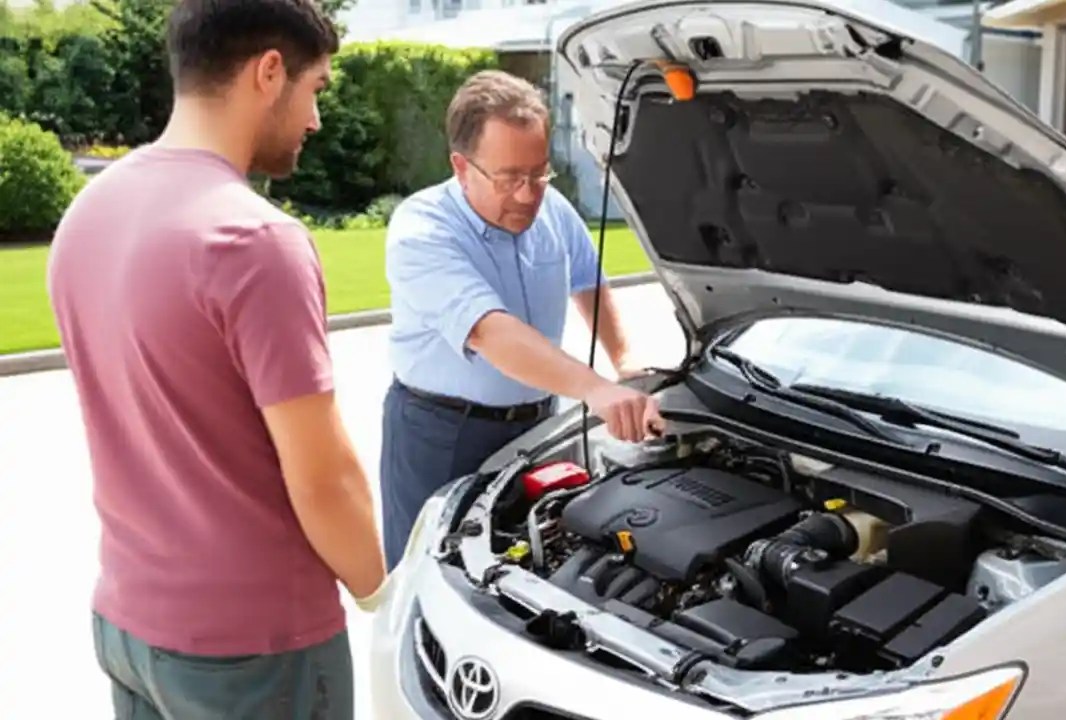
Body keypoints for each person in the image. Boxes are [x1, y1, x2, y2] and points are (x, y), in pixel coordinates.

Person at [45, 0, 386, 716]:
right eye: (316, 89)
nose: (316, 121)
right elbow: (323, 478)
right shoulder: (254, 241)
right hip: (253, 651)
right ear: (269, 72)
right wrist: (380, 588)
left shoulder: (88, 213)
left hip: (128, 622)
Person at [380, 70, 664, 569]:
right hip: (441, 433)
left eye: (539, 172)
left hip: (536, 427)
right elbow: (492, 332)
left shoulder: (551, 208)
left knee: (526, 564)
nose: (529, 194)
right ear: (461, 166)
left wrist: (626, 359)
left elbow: (589, 280)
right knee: (428, 575)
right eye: (510, 178)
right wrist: (595, 388)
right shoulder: (421, 230)